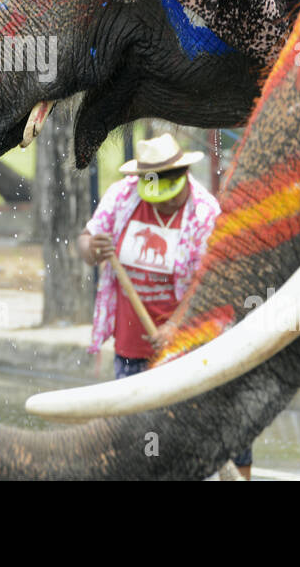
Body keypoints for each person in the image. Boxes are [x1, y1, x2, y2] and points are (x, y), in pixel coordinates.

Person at [77, 133, 253, 478]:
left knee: (219, 419)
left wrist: (177, 327)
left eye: (170, 200)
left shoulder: (205, 213)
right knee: (141, 436)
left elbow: (210, 281)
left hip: (192, 342)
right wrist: (91, 249)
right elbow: (85, 241)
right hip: (135, 344)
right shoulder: (122, 197)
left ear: (183, 176)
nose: (163, 207)